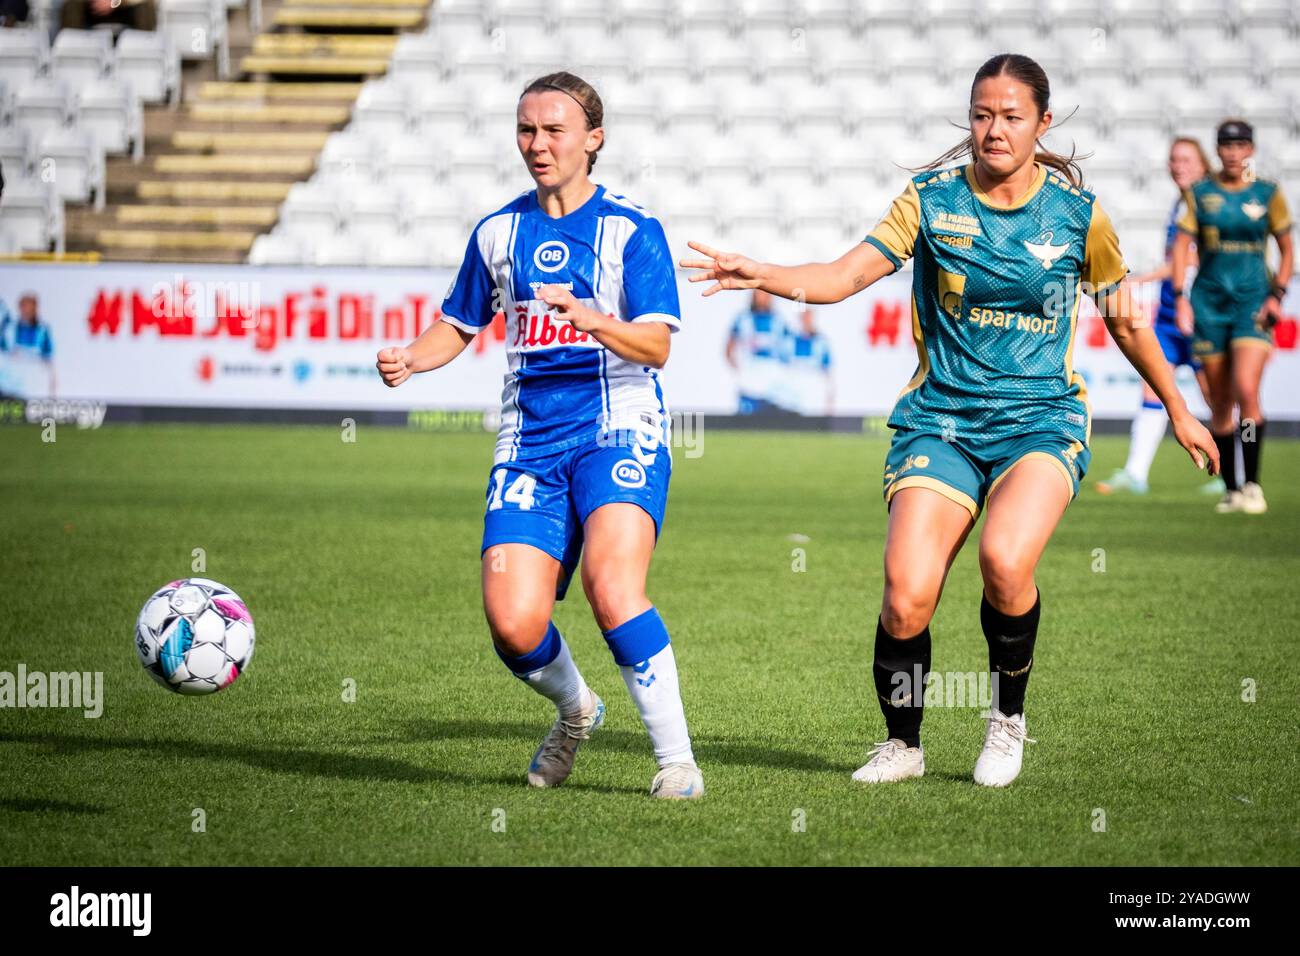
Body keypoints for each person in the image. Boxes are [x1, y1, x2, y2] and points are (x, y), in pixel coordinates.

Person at [681, 53, 1218, 788]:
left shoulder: (1077, 217)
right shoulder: (930, 201)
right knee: (906, 591)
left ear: (1042, 122)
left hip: (1041, 420)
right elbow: (842, 277)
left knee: (1005, 560)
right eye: (981, 114)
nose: (993, 129)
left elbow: (1124, 321)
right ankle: (904, 744)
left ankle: (1007, 717)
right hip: (942, 420)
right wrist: (761, 273)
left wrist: (1182, 411)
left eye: (1011, 116)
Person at [375, 72, 702, 800]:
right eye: (526, 129)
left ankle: (676, 760)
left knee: (612, 588)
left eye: (554, 130)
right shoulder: (498, 231)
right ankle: (576, 709)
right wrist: (411, 358)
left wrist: (594, 320)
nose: (537, 144)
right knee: (514, 623)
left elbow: (655, 349)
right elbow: (458, 324)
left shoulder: (631, 229)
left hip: (620, 426)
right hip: (529, 441)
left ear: (594, 138)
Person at [1173, 119, 1293, 515]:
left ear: (1251, 150)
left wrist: (1277, 294)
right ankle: (1232, 488)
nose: (1234, 152)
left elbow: (1287, 249)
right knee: (1220, 403)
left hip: (1252, 304)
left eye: (1241, 145)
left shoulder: (1267, 193)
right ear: (1219, 150)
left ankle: (1255, 484)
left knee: (1246, 388)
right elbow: (1181, 247)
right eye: (1227, 145)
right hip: (1209, 305)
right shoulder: (1200, 194)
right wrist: (1181, 297)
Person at [1097, 137, 1221, 496]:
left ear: (1202, 164)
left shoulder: (1209, 202)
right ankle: (1136, 473)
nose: (1177, 165)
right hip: (1169, 315)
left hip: (1199, 314)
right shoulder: (1179, 204)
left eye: (1185, 159)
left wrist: (1151, 276)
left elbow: (1199, 257)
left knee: (1214, 396)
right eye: (1172, 160)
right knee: (1152, 384)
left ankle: (1235, 475)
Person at [724, 289, 789, 413]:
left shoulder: (779, 320)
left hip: (772, 380)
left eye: (765, 294)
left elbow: (787, 347)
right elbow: (729, 347)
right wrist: (737, 368)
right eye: (759, 294)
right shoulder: (743, 318)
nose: (762, 297)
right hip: (750, 378)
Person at [778, 307, 834, 416]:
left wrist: (830, 393)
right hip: (793, 388)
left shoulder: (821, 342)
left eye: (809, 317)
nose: (807, 320)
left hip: (813, 388)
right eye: (804, 317)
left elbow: (826, 370)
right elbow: (782, 367)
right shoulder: (789, 340)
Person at [0, 292, 56, 399]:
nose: (25, 310)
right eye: (23, 306)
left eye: (28, 306)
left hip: (32, 381)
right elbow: (4, 348)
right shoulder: (12, 327)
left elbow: (48, 358)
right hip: (11, 380)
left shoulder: (43, 329)